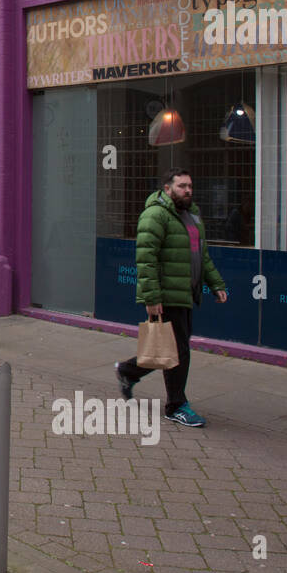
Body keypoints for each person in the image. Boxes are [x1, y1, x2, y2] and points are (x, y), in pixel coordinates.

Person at [115, 168, 228, 427]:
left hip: (186, 293)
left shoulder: (192, 215)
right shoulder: (155, 215)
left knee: (172, 348)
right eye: (181, 186)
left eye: (190, 186)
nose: (187, 190)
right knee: (179, 351)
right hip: (166, 296)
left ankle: (128, 371)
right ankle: (176, 405)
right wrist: (151, 297)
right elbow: (145, 259)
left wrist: (215, 284)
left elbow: (202, 255)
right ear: (167, 189)